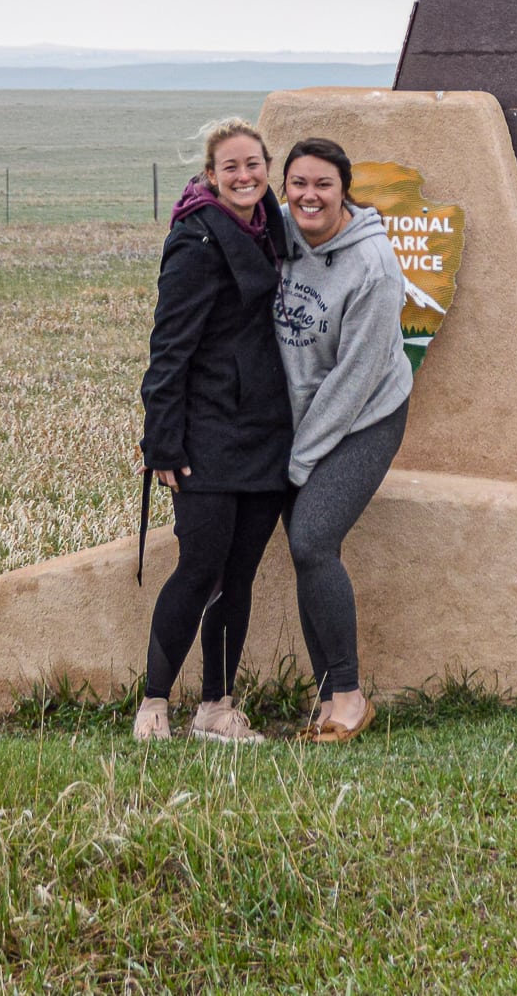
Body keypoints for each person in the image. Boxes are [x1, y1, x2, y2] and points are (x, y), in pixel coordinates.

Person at [134, 119, 293, 743]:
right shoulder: (196, 240)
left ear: (266, 167)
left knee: (241, 574)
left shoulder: (272, 228)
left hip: (266, 428)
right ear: (211, 173)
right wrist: (162, 442)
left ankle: (216, 708)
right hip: (206, 434)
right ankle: (153, 703)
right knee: (200, 567)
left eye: (253, 164)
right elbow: (167, 349)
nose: (244, 176)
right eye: (231, 167)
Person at [273, 137, 413, 742]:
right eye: (298, 183)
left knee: (311, 540)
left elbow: (353, 380)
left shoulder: (374, 267)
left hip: (364, 417)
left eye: (323, 184)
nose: (310, 195)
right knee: (309, 554)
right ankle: (329, 697)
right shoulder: (276, 234)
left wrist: (300, 461)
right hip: (292, 420)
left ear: (343, 190)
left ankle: (351, 697)